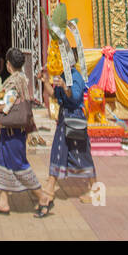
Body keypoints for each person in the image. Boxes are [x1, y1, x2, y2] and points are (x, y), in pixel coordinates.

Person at [0, 47, 44, 215]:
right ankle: (3, 203)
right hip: (11, 131)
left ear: (8, 65)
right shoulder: (23, 78)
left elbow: (6, 106)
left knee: (19, 165)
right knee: (2, 164)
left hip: (13, 131)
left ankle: (41, 196)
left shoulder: (13, 83)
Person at [37, 61, 98, 216]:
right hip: (64, 119)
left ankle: (96, 191)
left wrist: (65, 86)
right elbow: (54, 95)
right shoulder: (64, 75)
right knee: (58, 151)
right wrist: (45, 81)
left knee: (82, 155)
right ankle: (50, 189)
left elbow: (76, 96)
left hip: (74, 118)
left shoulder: (75, 77)